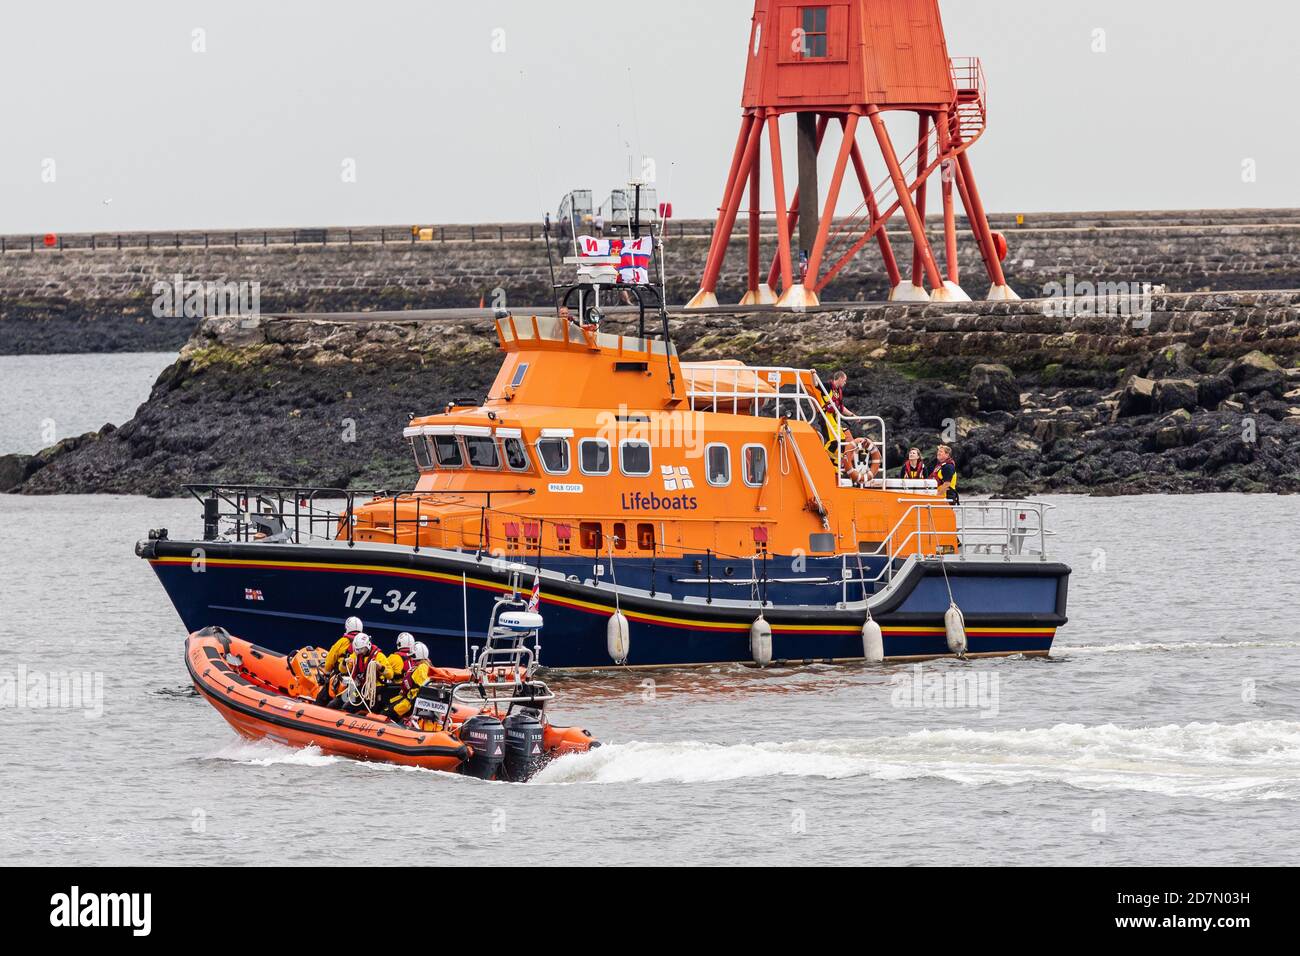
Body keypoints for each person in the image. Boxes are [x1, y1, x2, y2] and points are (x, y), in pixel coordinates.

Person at [325, 632, 393, 712]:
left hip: (372, 690)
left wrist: (380, 668)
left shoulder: (379, 657)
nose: (359, 651)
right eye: (357, 649)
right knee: (335, 703)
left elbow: (390, 675)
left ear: (368, 646)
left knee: (348, 707)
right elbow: (343, 670)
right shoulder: (356, 655)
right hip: (358, 687)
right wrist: (344, 663)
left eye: (361, 649)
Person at [316, 616, 364, 705]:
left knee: (321, 698)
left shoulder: (343, 641)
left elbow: (331, 658)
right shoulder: (364, 642)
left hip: (342, 674)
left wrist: (326, 673)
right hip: (357, 678)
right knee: (349, 700)